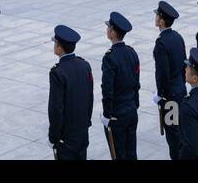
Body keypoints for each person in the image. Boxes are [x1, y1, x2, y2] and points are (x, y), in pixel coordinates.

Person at [48, 25, 93, 160]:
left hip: (66, 137)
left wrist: (53, 136)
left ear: (60, 47)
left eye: (55, 43)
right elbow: (89, 97)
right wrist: (86, 123)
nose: (54, 45)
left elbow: (56, 108)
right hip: (82, 132)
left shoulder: (58, 72)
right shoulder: (84, 65)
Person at [100, 12, 139, 160]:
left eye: (108, 27)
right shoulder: (132, 53)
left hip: (117, 114)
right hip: (131, 110)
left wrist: (107, 114)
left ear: (112, 32)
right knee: (131, 153)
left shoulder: (110, 58)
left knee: (119, 155)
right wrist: (135, 104)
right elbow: (136, 84)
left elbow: (107, 89)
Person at [152, 1, 187, 160]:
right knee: (180, 130)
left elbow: (162, 73)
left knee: (173, 135)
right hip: (180, 90)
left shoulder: (161, 43)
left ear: (161, 21)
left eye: (157, 15)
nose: (156, 18)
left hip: (170, 98)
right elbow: (183, 65)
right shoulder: (178, 37)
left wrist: (161, 94)